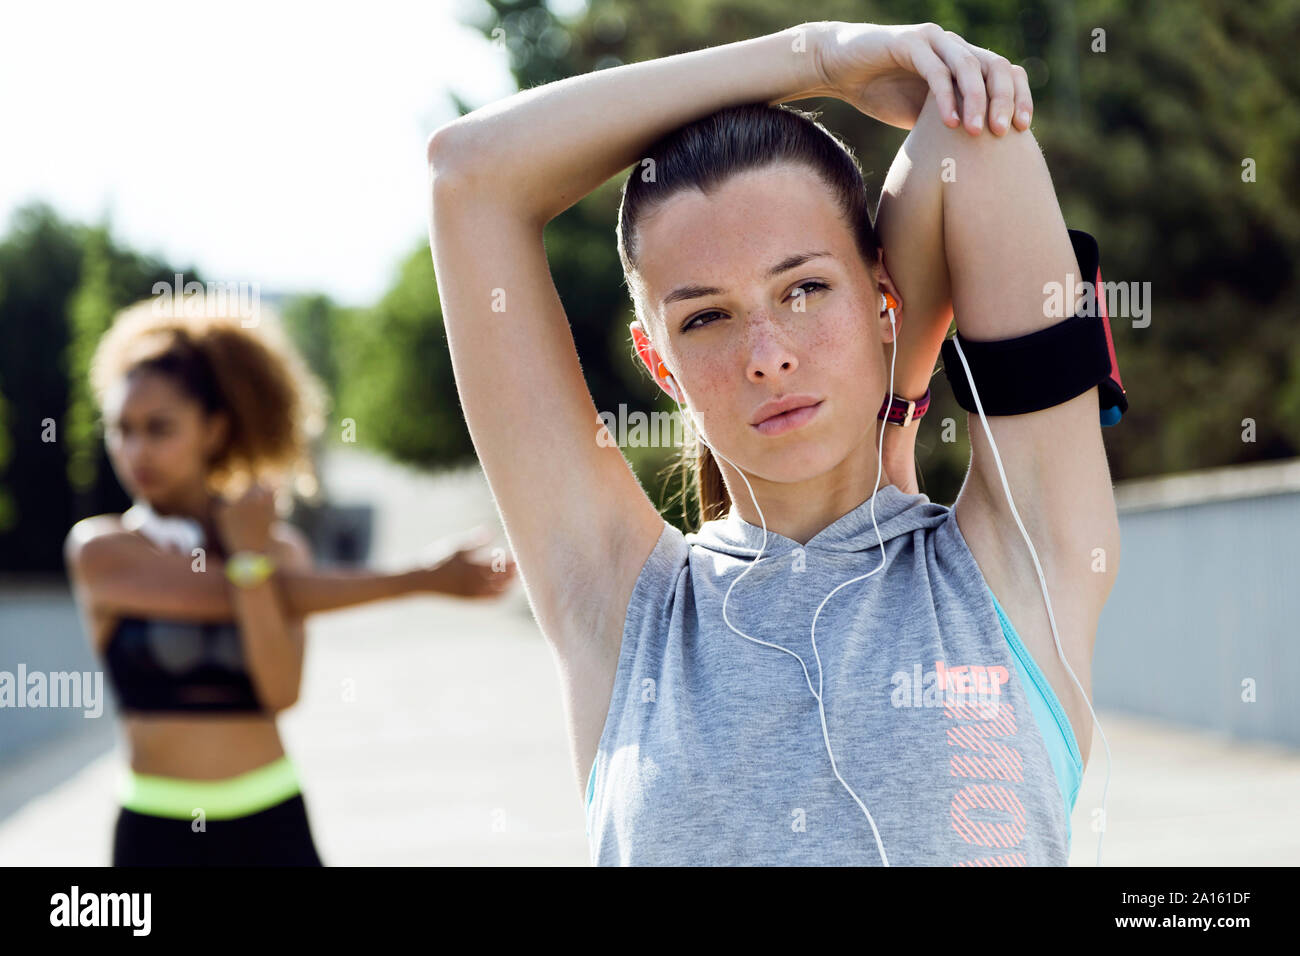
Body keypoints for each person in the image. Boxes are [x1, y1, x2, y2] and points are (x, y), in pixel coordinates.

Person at [426, 20, 1121, 865]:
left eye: (805, 289)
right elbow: (469, 176)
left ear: (882, 295)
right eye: (707, 317)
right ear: (659, 362)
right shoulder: (626, 612)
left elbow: (971, 131)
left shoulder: (1018, 559)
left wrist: (897, 396)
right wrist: (816, 57)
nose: (769, 356)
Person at [63, 299, 516, 866]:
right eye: (121, 429)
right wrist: (422, 578)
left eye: (159, 428)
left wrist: (251, 557)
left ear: (214, 428)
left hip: (270, 819)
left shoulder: (277, 549)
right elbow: (223, 596)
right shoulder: (104, 550)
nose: (135, 452)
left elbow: (280, 692)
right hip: (155, 829)